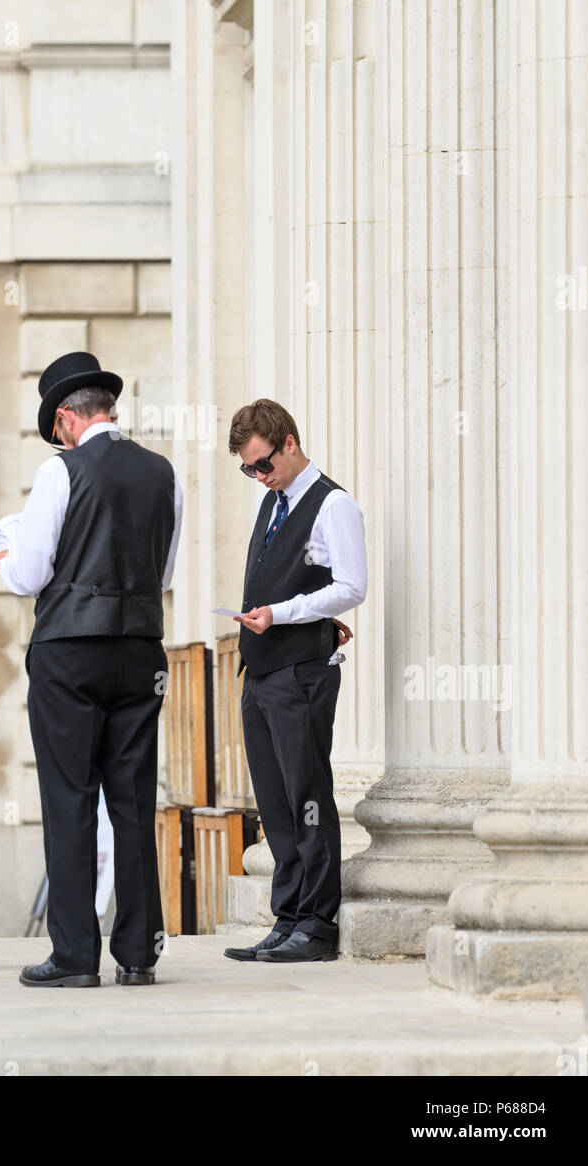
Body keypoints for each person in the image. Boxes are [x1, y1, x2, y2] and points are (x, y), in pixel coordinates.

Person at [0, 352, 183, 987]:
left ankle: (75, 958)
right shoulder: (164, 474)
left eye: (59, 426)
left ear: (69, 418)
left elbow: (30, 573)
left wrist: (1, 560)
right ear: (110, 410)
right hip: (140, 650)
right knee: (131, 799)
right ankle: (138, 954)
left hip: (70, 651)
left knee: (70, 798)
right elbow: (164, 574)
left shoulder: (59, 473)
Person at [224, 398, 367, 964]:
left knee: (307, 792)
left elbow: (351, 586)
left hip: (301, 670)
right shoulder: (273, 502)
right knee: (276, 799)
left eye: (264, 464)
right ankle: (288, 917)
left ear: (288, 442)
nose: (260, 477)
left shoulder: (334, 504)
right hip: (261, 668)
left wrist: (284, 613)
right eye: (249, 470)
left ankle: (317, 923)